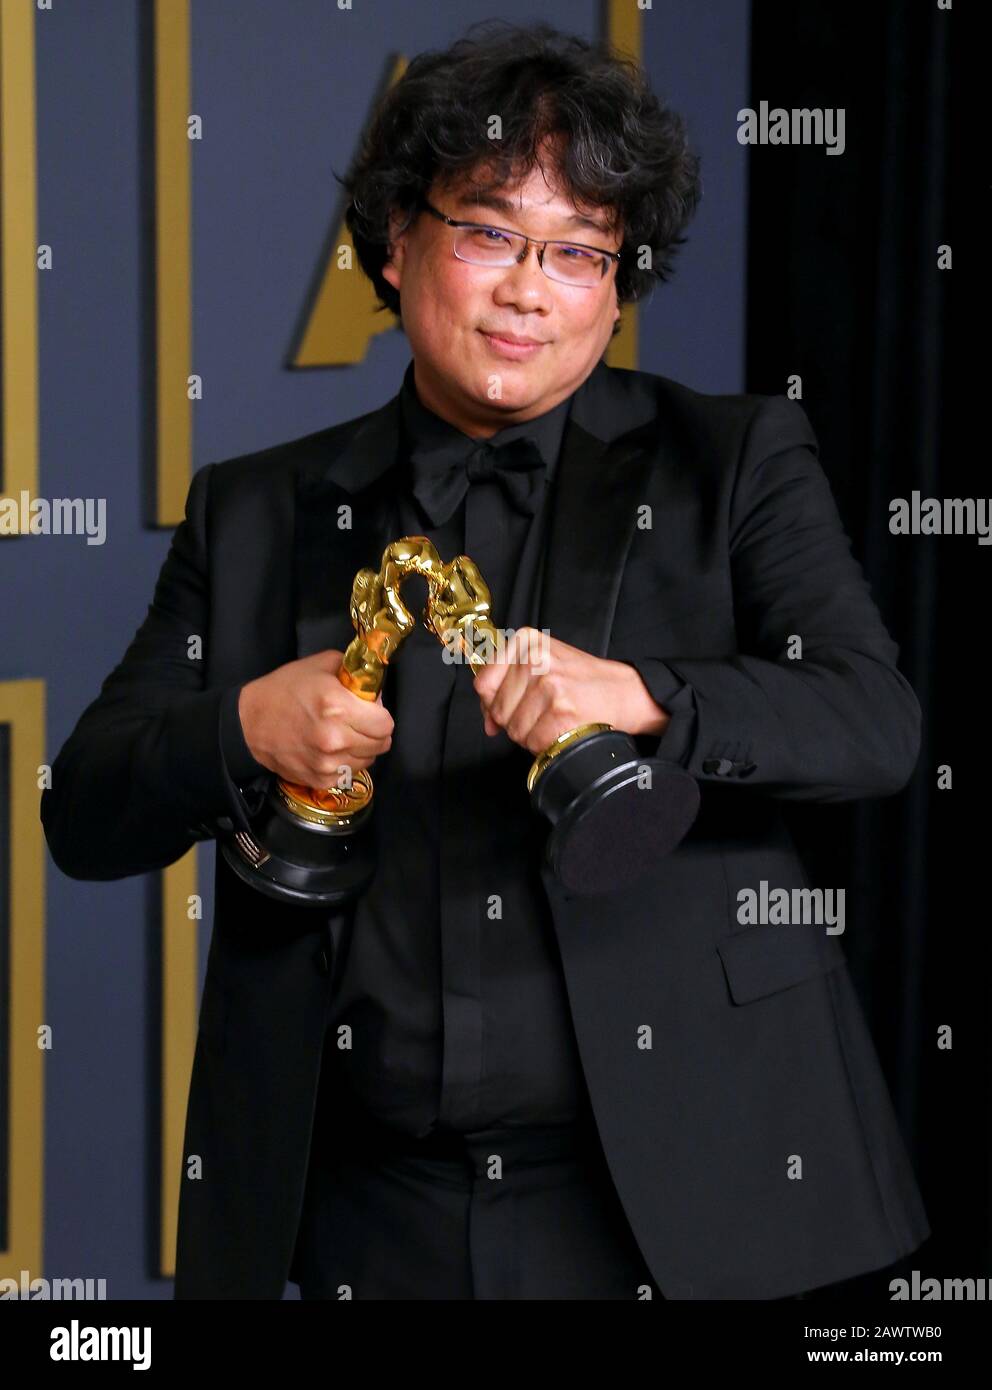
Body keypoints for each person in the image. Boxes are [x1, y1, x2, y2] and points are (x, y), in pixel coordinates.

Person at [40, 21, 930, 1300]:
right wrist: (241, 727)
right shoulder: (255, 510)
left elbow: (871, 723)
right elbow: (85, 809)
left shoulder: (729, 458)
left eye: (578, 252)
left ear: (616, 287)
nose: (531, 289)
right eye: (491, 233)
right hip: (363, 1207)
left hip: (687, 1196)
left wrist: (645, 697)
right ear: (395, 241)